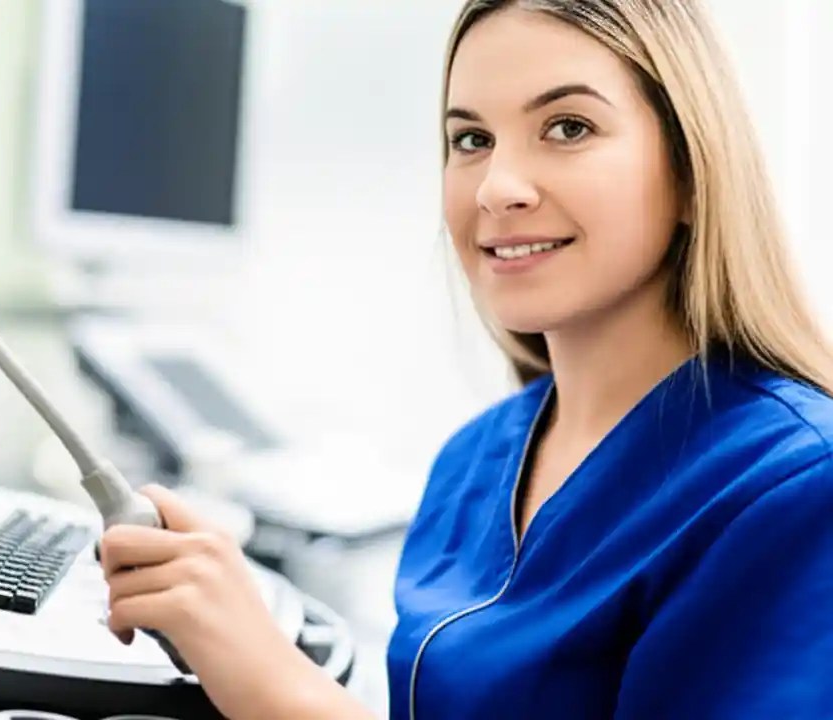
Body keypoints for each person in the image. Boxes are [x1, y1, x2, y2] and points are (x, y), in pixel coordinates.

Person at [98, 0, 833, 718]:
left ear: (691, 171)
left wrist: (273, 683)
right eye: (471, 140)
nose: (497, 188)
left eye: (567, 127)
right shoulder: (472, 464)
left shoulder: (792, 488)